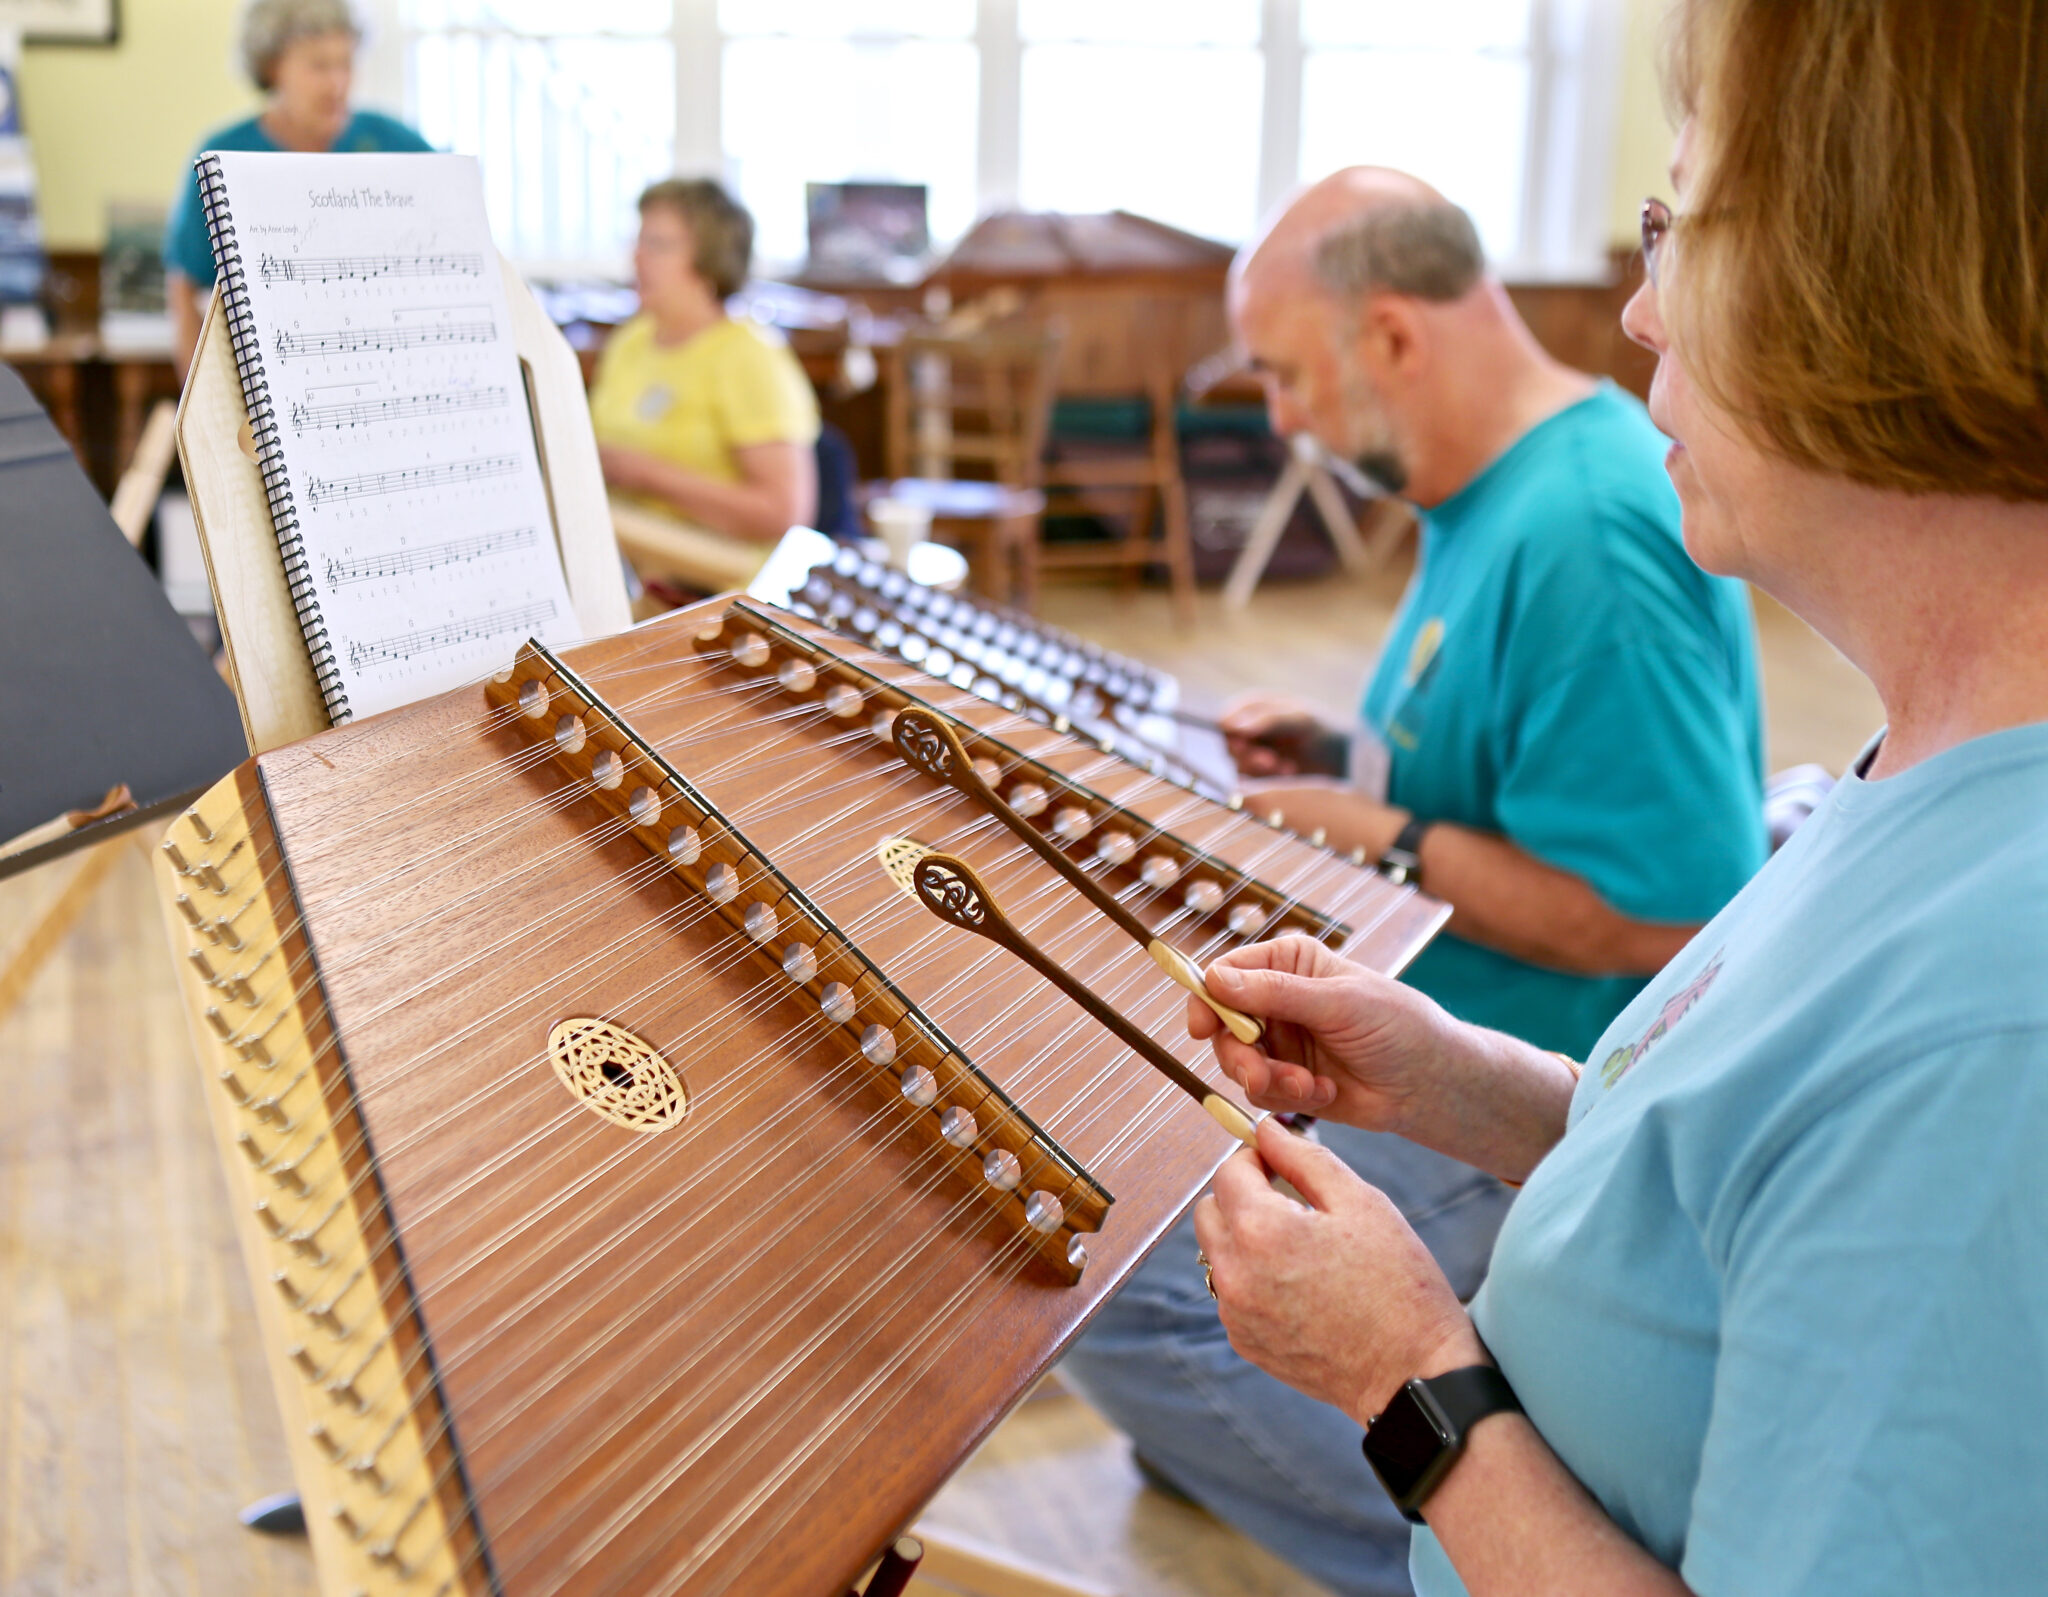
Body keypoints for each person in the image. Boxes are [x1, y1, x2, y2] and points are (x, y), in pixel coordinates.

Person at [1188, 2, 2048, 1592]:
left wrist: (1409, 1379)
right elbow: (1742, 1170)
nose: (1642, 312)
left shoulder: (2000, 1022)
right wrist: (1460, 1081)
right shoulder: (1935, 761)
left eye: (1679, 219)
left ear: (1888, 270)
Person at [1061, 170, 1768, 1597]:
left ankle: (1436, 1543)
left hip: (1543, 1082)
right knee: (1129, 1177)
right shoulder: (1493, 493)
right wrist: (1345, 755)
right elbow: (1496, 758)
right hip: (1449, 1037)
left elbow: (1670, 906)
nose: (1276, 417)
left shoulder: (1588, 529)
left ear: (1390, 336)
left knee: (1111, 1261)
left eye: (1282, 372)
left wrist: (1375, 836)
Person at [164, 0, 431, 380]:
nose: (337, 83)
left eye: (346, 63)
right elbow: (183, 287)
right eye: (319, 65)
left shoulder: (396, 143)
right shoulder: (223, 156)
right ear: (272, 66)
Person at [590, 178, 819, 592]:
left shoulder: (749, 356)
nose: (637, 257)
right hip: (627, 560)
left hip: (713, 584)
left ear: (709, 258)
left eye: (658, 244)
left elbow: (785, 511)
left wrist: (649, 476)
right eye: (638, 240)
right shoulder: (630, 341)